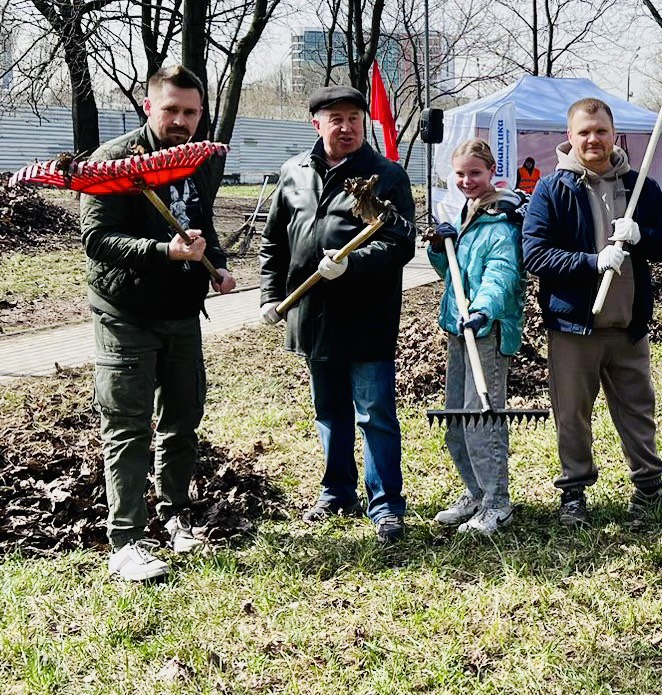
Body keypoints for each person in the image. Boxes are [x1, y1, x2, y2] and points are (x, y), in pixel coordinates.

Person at [83, 65, 237, 582]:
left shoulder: (197, 161)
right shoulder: (113, 163)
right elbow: (98, 241)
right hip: (125, 315)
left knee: (183, 418)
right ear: (149, 106)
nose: (181, 120)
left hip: (181, 315)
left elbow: (201, 219)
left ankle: (175, 515)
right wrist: (163, 251)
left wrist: (213, 262)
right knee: (128, 425)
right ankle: (125, 540)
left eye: (191, 112)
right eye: (171, 109)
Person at [522, 97, 662, 527]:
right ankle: (574, 492)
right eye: (584, 132)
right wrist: (591, 262)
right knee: (573, 414)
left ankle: (650, 488)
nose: (593, 139)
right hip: (574, 326)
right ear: (571, 136)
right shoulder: (552, 189)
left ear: (614, 134)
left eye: (600, 131)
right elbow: (535, 254)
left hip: (627, 325)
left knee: (638, 408)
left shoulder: (640, 186)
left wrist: (640, 235)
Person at [259, 85, 416, 544]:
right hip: (311, 315)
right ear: (317, 124)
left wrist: (353, 264)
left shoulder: (385, 175)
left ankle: (386, 505)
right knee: (329, 412)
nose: (345, 127)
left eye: (353, 118)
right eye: (335, 119)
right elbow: (274, 242)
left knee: (375, 414)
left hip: (366, 316)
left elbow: (400, 243)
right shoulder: (293, 173)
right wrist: (270, 296)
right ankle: (337, 492)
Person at [429, 140, 525, 536]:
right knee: (457, 418)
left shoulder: (501, 223)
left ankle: (497, 503)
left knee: (481, 419)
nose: (467, 180)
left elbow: (501, 274)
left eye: (475, 173)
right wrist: (439, 248)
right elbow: (452, 276)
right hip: (458, 328)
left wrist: (483, 309)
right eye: (461, 174)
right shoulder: (468, 217)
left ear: (492, 174)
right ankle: (474, 493)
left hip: (485, 331)